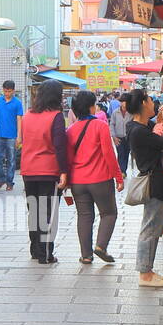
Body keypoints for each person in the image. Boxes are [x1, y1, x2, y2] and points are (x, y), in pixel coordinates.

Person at [125, 89, 163, 287]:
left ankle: (148, 269)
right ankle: (144, 274)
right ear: (142, 104)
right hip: (154, 183)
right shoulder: (139, 131)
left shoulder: (143, 126)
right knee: (150, 228)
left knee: (155, 228)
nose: (153, 103)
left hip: (159, 182)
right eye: (149, 100)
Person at [66, 90, 123, 264]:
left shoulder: (70, 130)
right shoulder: (100, 126)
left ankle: (86, 255)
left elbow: (67, 159)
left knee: (84, 216)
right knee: (109, 213)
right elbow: (108, 154)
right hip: (100, 180)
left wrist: (68, 182)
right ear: (92, 107)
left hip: (77, 181)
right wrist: (118, 177)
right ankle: (101, 246)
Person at [19, 79, 70, 264]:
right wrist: (64, 171)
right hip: (48, 170)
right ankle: (45, 254)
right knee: (47, 213)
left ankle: (35, 249)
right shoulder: (56, 116)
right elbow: (59, 146)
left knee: (33, 211)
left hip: (28, 169)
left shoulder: (28, 115)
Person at [0, 80, 24, 190]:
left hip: (12, 136)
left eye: (9, 91)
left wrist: (19, 136)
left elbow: (19, 120)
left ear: (13, 91)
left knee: (11, 160)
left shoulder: (17, 103)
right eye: (5, 91)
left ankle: (9, 182)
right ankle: (1, 179)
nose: (6, 93)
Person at [108, 93, 130, 175]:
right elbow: (112, 124)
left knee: (126, 154)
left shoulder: (131, 113)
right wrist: (113, 136)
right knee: (120, 154)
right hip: (118, 137)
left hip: (128, 138)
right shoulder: (115, 112)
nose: (124, 103)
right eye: (123, 102)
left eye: (126, 102)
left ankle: (123, 170)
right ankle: (122, 171)